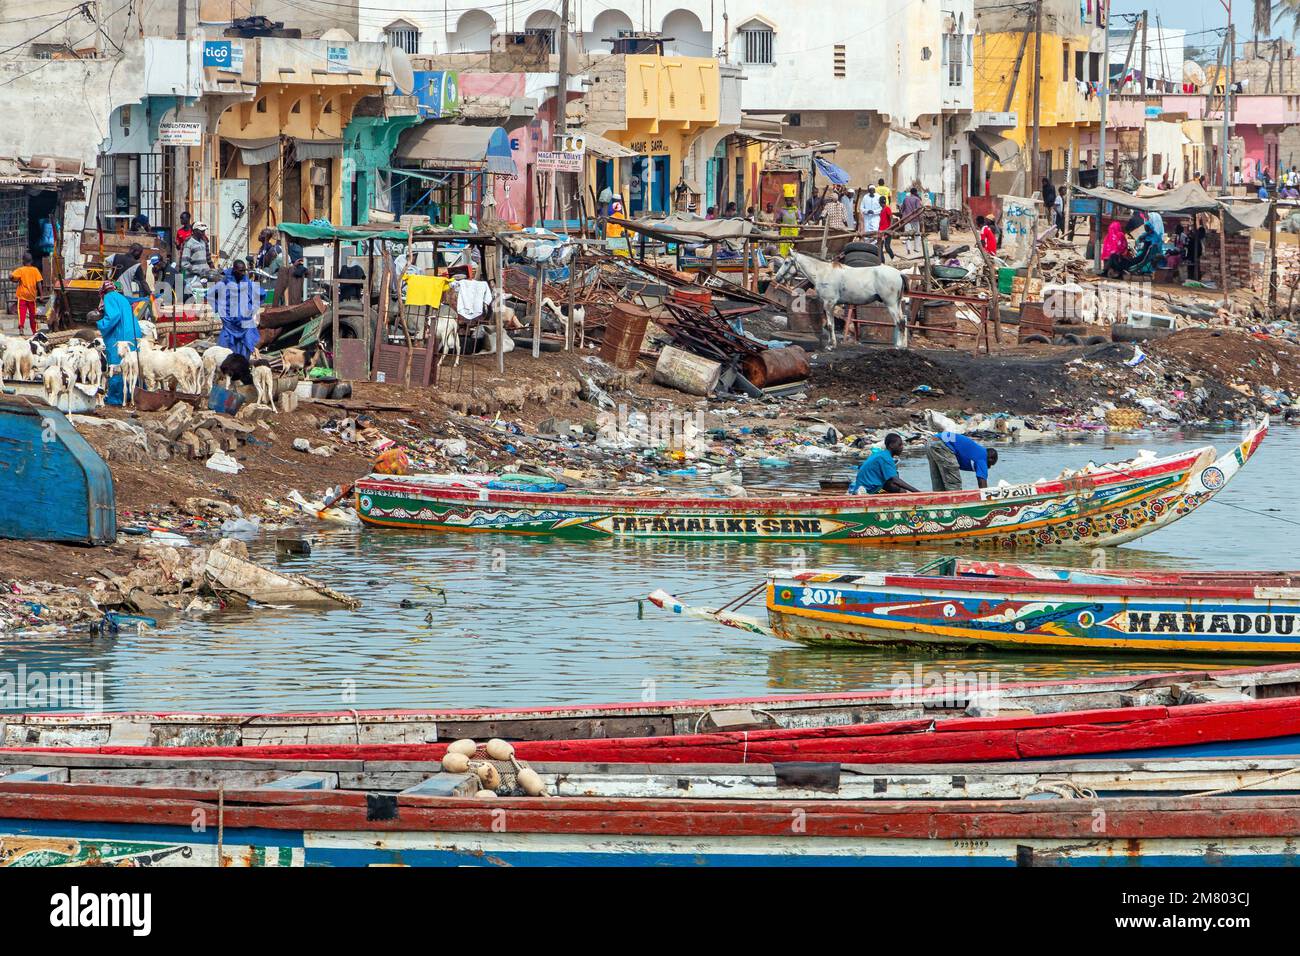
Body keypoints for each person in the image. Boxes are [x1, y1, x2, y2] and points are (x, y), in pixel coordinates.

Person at [96, 281, 143, 406]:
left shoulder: (109, 297)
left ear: (103, 292)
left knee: (117, 366)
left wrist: (100, 324)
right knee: (134, 366)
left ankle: (116, 397)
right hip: (133, 333)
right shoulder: (121, 297)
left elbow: (113, 316)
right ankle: (135, 395)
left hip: (121, 336)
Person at [215, 259, 261, 358]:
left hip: (244, 321)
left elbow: (256, 295)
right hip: (230, 322)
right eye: (241, 271)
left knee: (245, 345)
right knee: (226, 348)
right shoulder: (224, 283)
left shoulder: (246, 281)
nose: (244, 273)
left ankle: (243, 364)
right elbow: (214, 296)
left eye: (245, 270)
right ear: (235, 270)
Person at [927, 431, 998, 492]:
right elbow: (982, 483)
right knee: (954, 483)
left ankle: (940, 502)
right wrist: (987, 498)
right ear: (990, 459)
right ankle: (956, 503)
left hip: (932, 440)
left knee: (938, 480)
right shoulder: (982, 457)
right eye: (990, 464)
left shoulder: (977, 451)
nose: (989, 467)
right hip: (942, 443)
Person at [849, 433, 919, 495]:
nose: (902, 447)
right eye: (899, 445)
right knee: (900, 490)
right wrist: (917, 492)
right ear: (891, 445)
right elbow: (895, 480)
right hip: (870, 489)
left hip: (863, 486)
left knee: (893, 485)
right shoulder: (886, 458)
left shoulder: (881, 454)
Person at [9, 251, 42, 335]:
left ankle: (21, 328)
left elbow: (13, 277)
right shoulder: (35, 270)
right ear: (32, 261)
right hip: (31, 296)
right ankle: (35, 331)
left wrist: (10, 275)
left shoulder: (20, 270)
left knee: (22, 312)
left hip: (22, 295)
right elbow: (39, 283)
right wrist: (41, 295)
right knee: (33, 314)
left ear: (23, 261)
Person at [179, 221, 211, 295]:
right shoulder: (189, 244)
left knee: (203, 302)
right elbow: (184, 264)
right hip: (193, 280)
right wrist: (198, 270)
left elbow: (207, 259)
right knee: (197, 303)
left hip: (203, 279)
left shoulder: (203, 242)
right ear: (195, 231)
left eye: (204, 231)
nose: (203, 233)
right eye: (201, 231)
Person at [273, 242, 307, 307]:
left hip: (293, 269)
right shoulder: (296, 248)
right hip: (294, 268)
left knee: (290, 290)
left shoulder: (293, 249)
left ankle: (286, 305)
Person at [899, 186, 922, 256]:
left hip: (907, 219)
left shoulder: (906, 199)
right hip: (915, 219)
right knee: (917, 234)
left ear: (911, 192)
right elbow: (919, 210)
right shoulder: (917, 199)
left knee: (907, 234)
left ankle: (908, 249)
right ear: (915, 193)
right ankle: (917, 249)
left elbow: (902, 209)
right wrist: (921, 219)